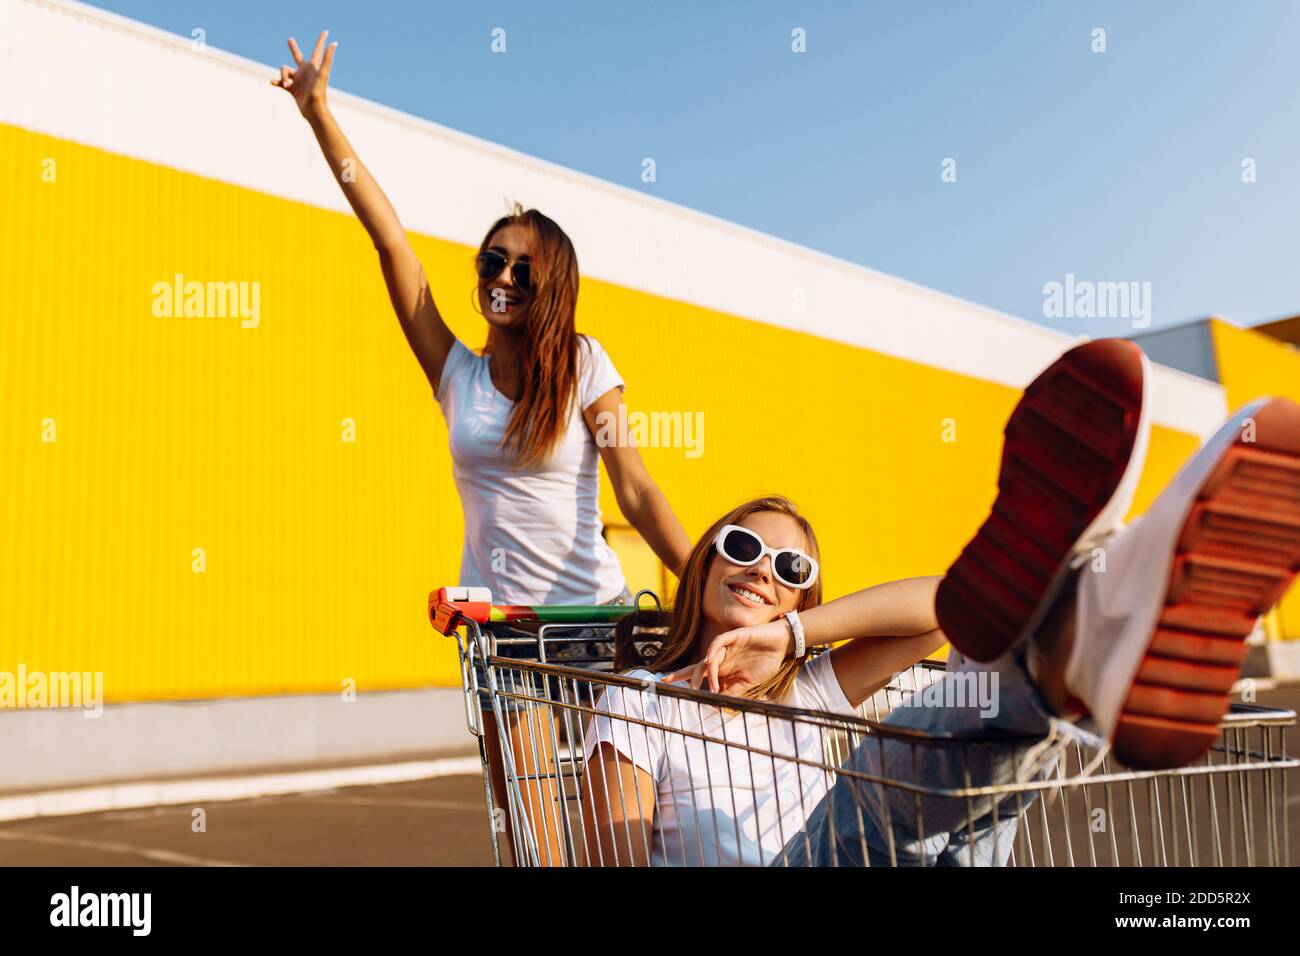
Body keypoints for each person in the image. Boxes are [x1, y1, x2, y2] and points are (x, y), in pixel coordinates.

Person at [582, 339, 1300, 865]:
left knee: (967, 717)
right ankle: (1086, 619)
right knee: (886, 803)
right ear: (705, 558)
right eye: (742, 548)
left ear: (802, 596)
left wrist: (796, 638)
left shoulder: (804, 687)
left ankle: (1076, 637)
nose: (762, 571)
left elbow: (941, 608)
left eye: (790, 567)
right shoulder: (640, 703)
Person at [272, 31, 692, 864]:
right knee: (534, 841)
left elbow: (635, 489)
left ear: (552, 287)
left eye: (523, 269)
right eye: (492, 259)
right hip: (509, 634)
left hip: (601, 628)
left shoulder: (583, 366)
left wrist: (704, 584)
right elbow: (392, 242)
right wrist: (320, 115)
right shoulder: (454, 373)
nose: (502, 276)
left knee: (621, 835)